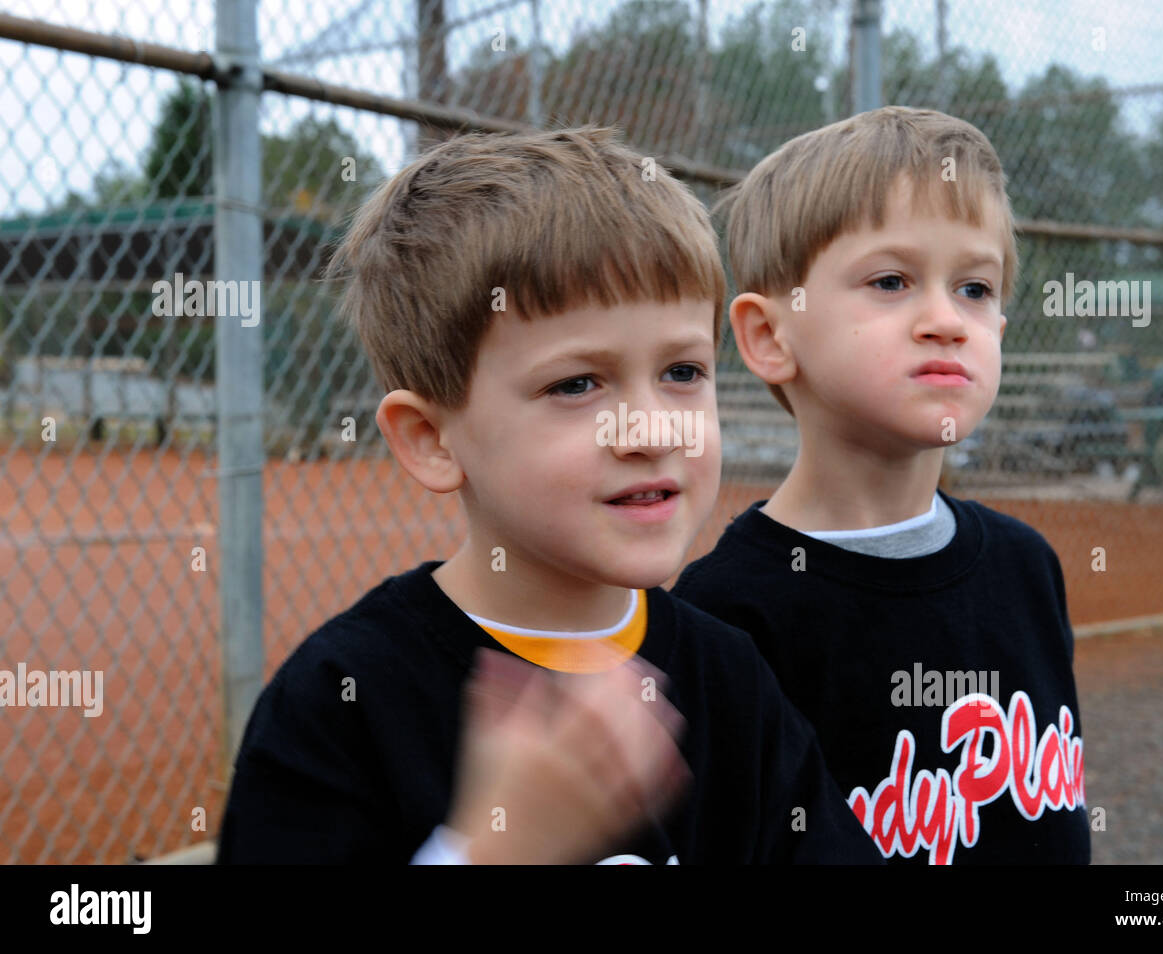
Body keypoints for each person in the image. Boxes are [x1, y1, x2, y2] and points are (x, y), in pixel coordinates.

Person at [217, 125, 884, 865]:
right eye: (576, 384)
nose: (649, 428)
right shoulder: (344, 702)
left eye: (683, 373)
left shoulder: (729, 678)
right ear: (431, 440)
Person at [673, 107, 1091, 864]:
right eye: (892, 281)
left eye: (974, 288)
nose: (946, 320)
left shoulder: (1028, 565)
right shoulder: (724, 620)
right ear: (771, 336)